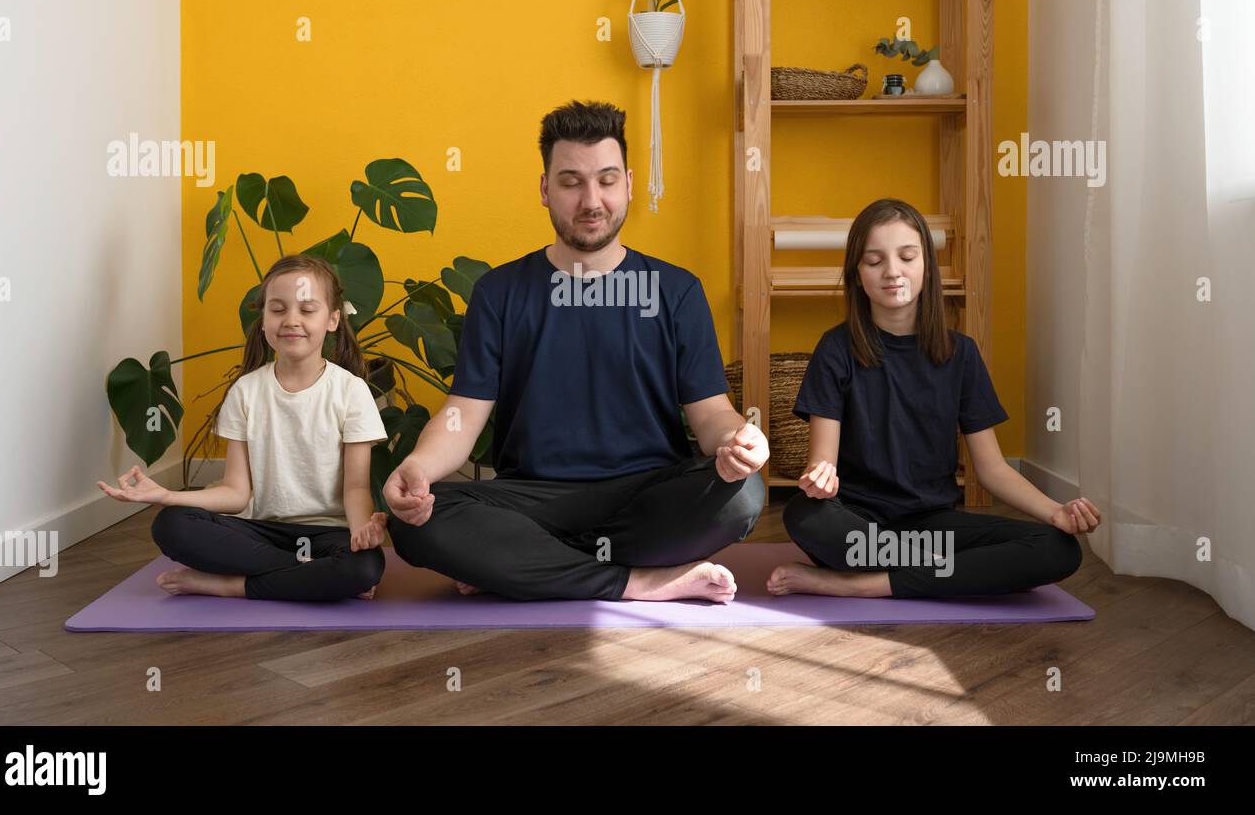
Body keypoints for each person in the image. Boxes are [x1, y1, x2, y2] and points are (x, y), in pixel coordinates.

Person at [384, 99, 768, 603]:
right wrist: (417, 468)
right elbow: (462, 416)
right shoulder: (500, 292)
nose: (592, 200)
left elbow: (711, 414)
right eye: (571, 182)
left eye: (607, 180)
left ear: (628, 183)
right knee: (417, 525)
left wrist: (738, 441)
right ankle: (638, 582)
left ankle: (531, 563)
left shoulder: (676, 291)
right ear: (545, 189)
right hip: (533, 498)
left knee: (745, 494)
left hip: (646, 497)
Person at [769, 198, 1100, 599]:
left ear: (927, 265)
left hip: (930, 526)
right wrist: (820, 479)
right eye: (874, 261)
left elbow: (992, 470)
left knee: (1058, 549)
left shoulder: (961, 354)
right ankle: (941, 574)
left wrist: (1055, 512)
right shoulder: (836, 348)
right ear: (857, 275)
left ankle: (858, 584)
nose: (893, 271)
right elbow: (822, 463)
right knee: (804, 516)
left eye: (907, 257)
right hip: (856, 524)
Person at [98, 255, 390, 601]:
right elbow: (236, 492)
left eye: (307, 310)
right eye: (277, 309)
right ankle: (314, 576)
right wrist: (164, 496)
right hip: (259, 530)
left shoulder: (350, 390)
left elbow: (355, 488)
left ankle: (232, 585)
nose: (291, 320)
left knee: (365, 566)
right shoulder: (245, 392)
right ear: (263, 320)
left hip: (327, 534)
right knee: (171, 525)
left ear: (333, 319)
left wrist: (360, 533)